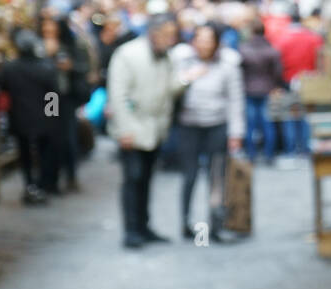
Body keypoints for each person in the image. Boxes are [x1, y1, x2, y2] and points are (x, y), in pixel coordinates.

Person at [106, 14, 184, 248]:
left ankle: (143, 225)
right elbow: (118, 96)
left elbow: (168, 89)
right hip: (133, 131)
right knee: (133, 179)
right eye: (167, 35)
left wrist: (186, 80)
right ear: (154, 33)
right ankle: (131, 230)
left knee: (147, 179)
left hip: (155, 130)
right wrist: (125, 130)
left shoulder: (166, 56)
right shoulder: (127, 54)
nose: (170, 40)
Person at [171, 24, 245, 243]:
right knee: (189, 175)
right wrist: (187, 78)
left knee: (216, 177)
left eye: (209, 40)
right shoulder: (181, 61)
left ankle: (216, 224)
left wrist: (236, 133)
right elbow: (170, 90)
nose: (204, 44)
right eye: (200, 39)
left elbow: (235, 100)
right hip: (188, 126)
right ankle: (186, 222)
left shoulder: (228, 64)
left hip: (216, 125)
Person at [0, 28, 59, 205]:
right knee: (44, 154)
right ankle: (41, 186)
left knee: (25, 155)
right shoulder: (46, 68)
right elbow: (53, 94)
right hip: (43, 120)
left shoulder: (10, 68)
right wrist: (52, 118)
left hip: (20, 119)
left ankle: (30, 185)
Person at [40, 12, 91, 193]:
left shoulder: (71, 45)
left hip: (66, 96)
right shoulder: (40, 46)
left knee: (68, 136)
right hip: (50, 97)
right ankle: (50, 177)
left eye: (51, 25)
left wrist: (71, 67)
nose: (48, 29)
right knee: (51, 135)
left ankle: (70, 174)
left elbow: (83, 67)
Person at [269, 7, 323, 155]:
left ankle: (291, 149)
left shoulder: (280, 39)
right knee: (306, 115)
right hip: (310, 81)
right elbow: (321, 59)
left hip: (287, 81)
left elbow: (276, 63)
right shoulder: (314, 37)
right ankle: (306, 147)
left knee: (288, 115)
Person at [239, 17, 283, 164]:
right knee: (268, 124)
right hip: (267, 89)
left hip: (248, 90)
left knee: (250, 125)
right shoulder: (271, 49)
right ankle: (269, 154)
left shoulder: (243, 49)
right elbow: (278, 71)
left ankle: (251, 154)